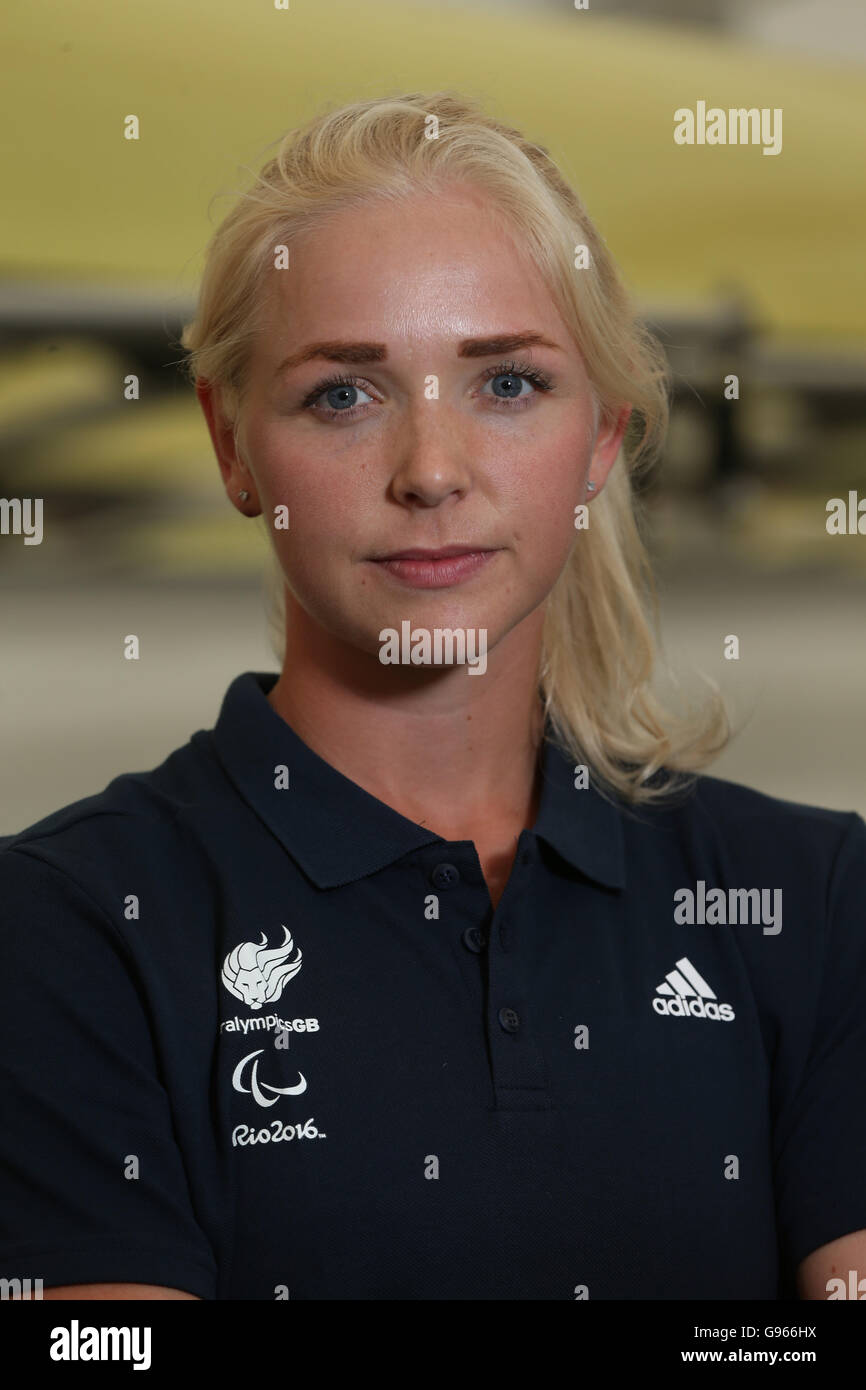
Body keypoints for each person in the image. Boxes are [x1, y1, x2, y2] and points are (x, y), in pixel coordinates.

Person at [2, 90, 865, 1302]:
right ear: (233, 445)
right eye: (343, 394)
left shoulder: (816, 902)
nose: (431, 471)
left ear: (603, 435)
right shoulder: (64, 927)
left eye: (505, 383)